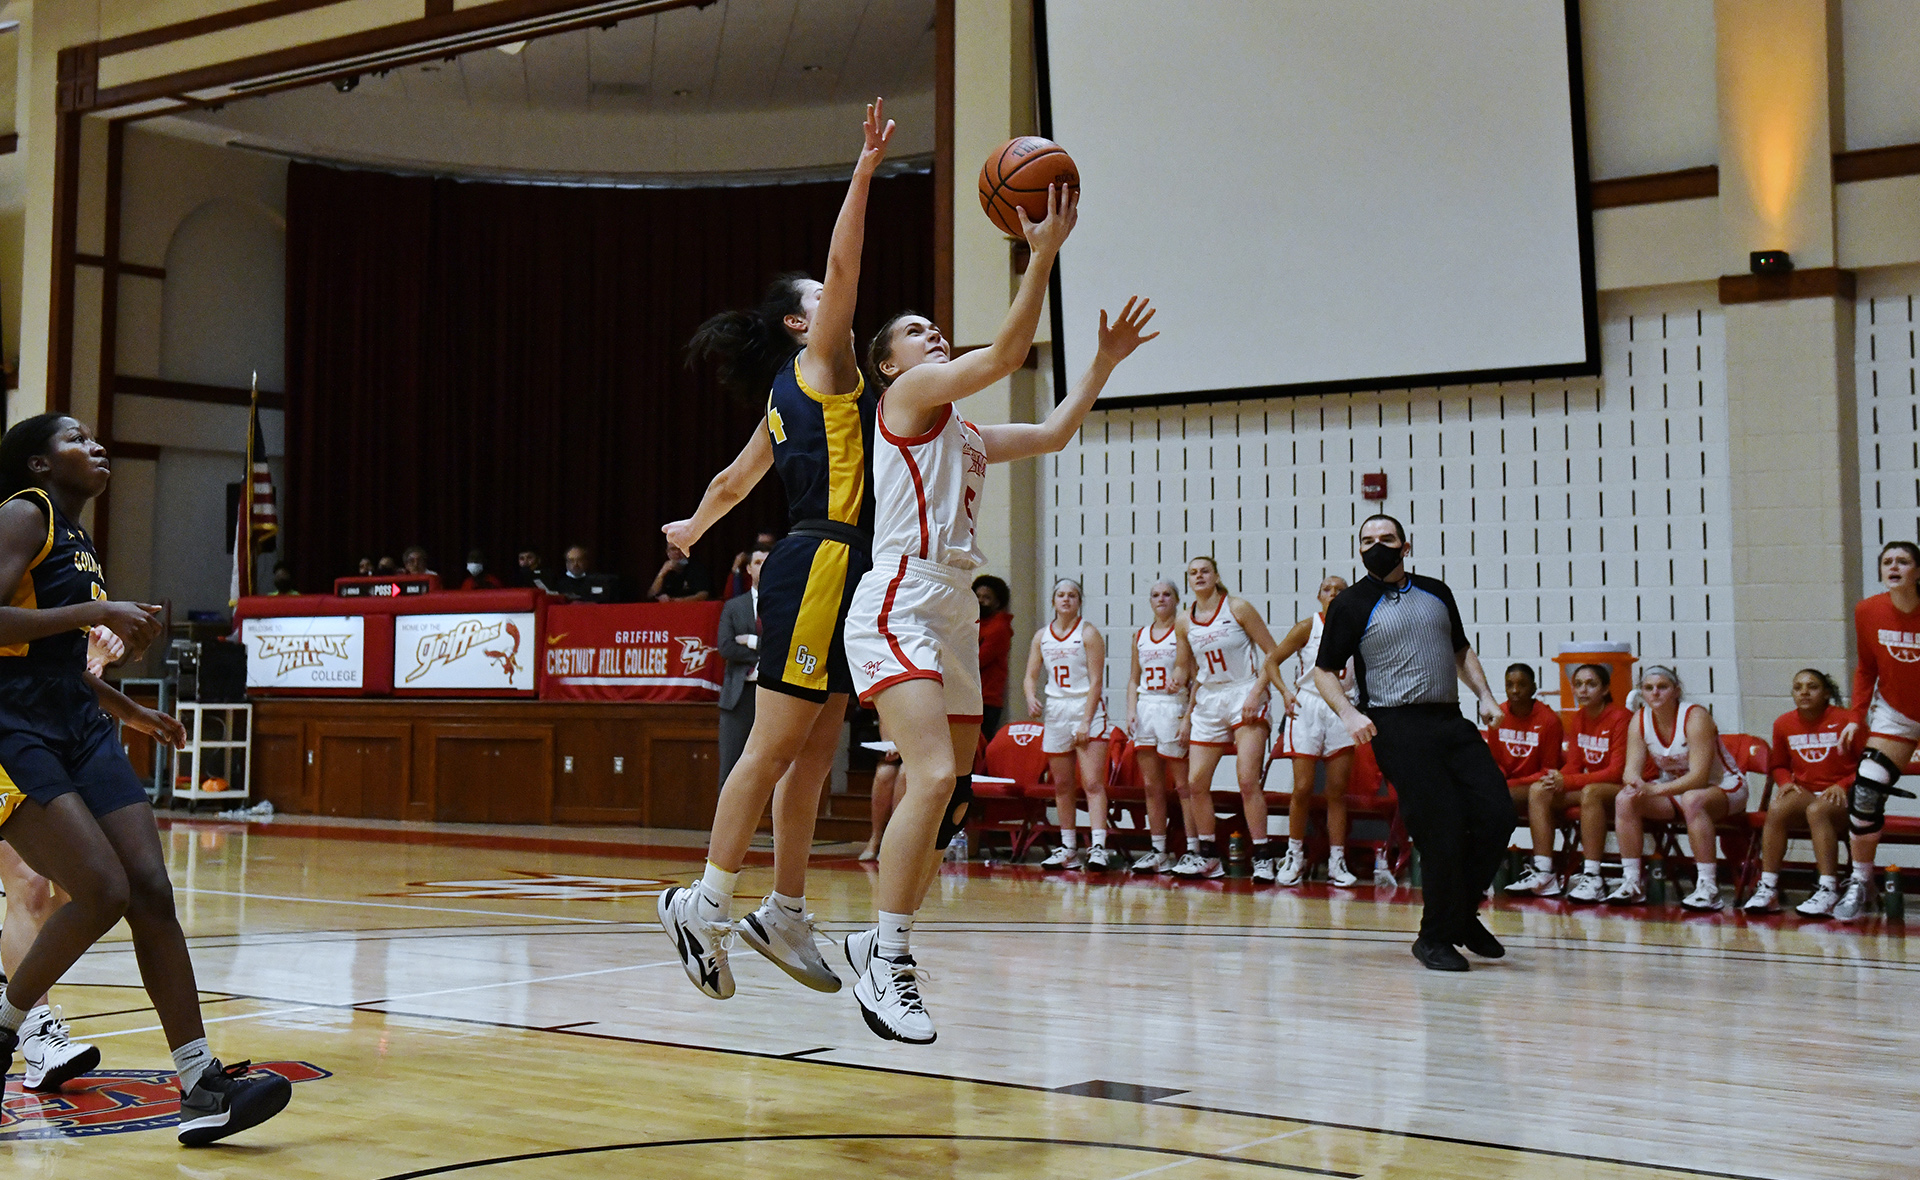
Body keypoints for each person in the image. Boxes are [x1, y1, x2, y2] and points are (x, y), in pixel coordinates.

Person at [843, 188, 1151, 1042]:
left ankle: (882, 942)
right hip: (900, 596)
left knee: (948, 794)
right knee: (932, 773)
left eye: (934, 329)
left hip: (951, 604)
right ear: (890, 366)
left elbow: (1051, 434)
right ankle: (888, 957)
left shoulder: (966, 435)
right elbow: (1011, 351)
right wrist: (1041, 251)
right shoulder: (906, 401)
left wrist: (1101, 365)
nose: (932, 336)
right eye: (916, 332)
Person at [656, 100, 896, 1002]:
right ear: (803, 324)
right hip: (821, 561)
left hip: (840, 567)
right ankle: (706, 901)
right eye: (819, 304)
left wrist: (691, 528)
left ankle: (785, 908)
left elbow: (733, 480)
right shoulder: (824, 364)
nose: (835, 305)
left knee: (814, 751)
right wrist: (864, 171)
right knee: (773, 745)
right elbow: (844, 267)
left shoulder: (785, 395)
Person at [0, 413, 292, 1143]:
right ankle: (7, 1025)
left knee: (152, 890)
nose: (95, 446)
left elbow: (55, 657)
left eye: (94, 438)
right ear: (39, 464)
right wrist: (97, 609)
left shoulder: (77, 537)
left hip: (77, 720)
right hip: (14, 725)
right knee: (102, 890)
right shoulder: (23, 514)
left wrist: (127, 707)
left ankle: (201, 1084)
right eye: (75, 439)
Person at [1313, 514, 1509, 972]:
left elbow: (1460, 649)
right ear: (1359, 550)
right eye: (1367, 540)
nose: (1376, 546)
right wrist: (1349, 713)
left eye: (1386, 538)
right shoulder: (1350, 604)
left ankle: (1461, 914)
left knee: (1497, 812)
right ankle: (1434, 937)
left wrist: (1485, 695)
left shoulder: (1436, 592)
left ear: (1405, 546)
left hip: (1450, 719)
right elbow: (1324, 671)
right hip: (1396, 725)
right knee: (1441, 828)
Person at [1170, 556, 1280, 881]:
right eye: (1193, 573)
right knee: (1195, 783)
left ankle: (1262, 855)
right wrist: (1176, 678)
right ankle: (1208, 855)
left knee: (1246, 780)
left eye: (1205, 571)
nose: (1199, 576)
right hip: (1209, 697)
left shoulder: (1238, 608)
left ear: (1216, 576)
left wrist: (1256, 693)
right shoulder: (1183, 621)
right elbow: (1183, 665)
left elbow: (1273, 652)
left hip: (1244, 689)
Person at [1605, 666, 1745, 911]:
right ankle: (1632, 881)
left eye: (1662, 687)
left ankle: (1708, 887)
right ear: (1641, 693)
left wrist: (1655, 790)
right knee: (1624, 799)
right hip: (1675, 789)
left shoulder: (1695, 717)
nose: (1655, 693)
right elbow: (1630, 771)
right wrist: (1636, 784)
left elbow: (1699, 778)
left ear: (1676, 691)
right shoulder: (1639, 719)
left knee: (1693, 799)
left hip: (1724, 785)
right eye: (1648, 688)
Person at [1834, 541, 1920, 922]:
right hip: (1895, 714)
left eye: (1903, 561)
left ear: (1918, 571)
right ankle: (1861, 880)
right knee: (1866, 791)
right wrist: (1856, 716)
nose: (1894, 567)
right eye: (1887, 562)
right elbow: (1866, 668)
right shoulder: (1867, 610)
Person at [1265, 575, 1360, 887]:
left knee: (1337, 791)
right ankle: (1294, 856)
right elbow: (1272, 661)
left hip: (1342, 706)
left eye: (1339, 589)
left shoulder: (1359, 627)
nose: (1333, 593)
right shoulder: (1307, 627)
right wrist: (1284, 692)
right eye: (1326, 589)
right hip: (1307, 705)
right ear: (1319, 596)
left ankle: (1337, 860)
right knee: (1303, 787)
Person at [1744, 669, 1861, 915]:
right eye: (1798, 687)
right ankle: (1769, 888)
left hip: (1844, 794)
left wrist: (1843, 784)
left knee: (1818, 811)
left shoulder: (1847, 720)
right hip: (1807, 793)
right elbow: (1778, 764)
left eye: (1812, 686)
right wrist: (1785, 782)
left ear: (1826, 693)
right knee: (1778, 807)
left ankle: (1828, 889)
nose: (1804, 692)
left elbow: (1868, 765)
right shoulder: (1783, 723)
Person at [1026, 579, 1115, 871]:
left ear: (1079, 601)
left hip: (1084, 707)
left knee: (1092, 782)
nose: (1066, 599)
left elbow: (1096, 681)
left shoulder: (1088, 633)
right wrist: (1030, 697)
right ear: (1053, 601)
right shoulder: (1042, 636)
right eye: (1061, 595)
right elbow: (1030, 676)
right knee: (1062, 784)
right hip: (1056, 710)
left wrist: (1086, 721)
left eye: (1072, 595)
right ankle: (1068, 847)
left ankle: (1098, 847)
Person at [1533, 663, 1632, 901]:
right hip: (1596, 787)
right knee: (1539, 790)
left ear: (1605, 689)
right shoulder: (1579, 718)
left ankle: (1593, 876)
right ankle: (1544, 872)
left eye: (1591, 684)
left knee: (1591, 792)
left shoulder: (1621, 717)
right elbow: (1574, 764)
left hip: (1627, 788)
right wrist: (1556, 778)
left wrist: (1567, 781)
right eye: (1578, 684)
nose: (1583, 690)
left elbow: (1616, 772)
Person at [1125, 579, 1194, 874]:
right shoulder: (1140, 635)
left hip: (1173, 706)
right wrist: (1131, 709)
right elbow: (1133, 678)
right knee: (1152, 786)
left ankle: (1193, 849)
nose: (1161, 599)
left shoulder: (1184, 632)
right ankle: (1158, 850)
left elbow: (1196, 678)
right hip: (1146, 708)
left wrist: (1188, 716)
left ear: (1177, 599)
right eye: (1155, 594)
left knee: (1184, 785)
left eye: (1167, 594)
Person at [1485, 663, 1563, 886]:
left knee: (1494, 800)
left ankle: (1540, 870)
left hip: (1538, 785)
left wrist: (1509, 784)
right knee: (1474, 798)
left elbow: (1549, 769)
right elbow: (1495, 761)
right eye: (1509, 685)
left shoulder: (1549, 720)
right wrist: (1497, 779)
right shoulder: (1498, 715)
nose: (1515, 690)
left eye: (1522, 685)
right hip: (1509, 786)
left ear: (1533, 688)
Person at [716, 549, 768, 786]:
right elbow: (726, 647)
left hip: (772, 694)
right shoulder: (733, 606)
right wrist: (763, 655)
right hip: (738, 696)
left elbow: (785, 645)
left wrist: (752, 641)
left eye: (767, 563)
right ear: (748, 568)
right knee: (730, 768)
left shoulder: (786, 605)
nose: (762, 567)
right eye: (757, 562)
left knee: (770, 768)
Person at [974, 575, 1015, 740]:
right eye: (977, 596)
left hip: (987, 699)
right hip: (971, 696)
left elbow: (977, 661)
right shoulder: (973, 622)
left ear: (998, 602)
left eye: (986, 598)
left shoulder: (999, 628)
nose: (980, 601)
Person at [861, 746, 900, 862]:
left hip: (924, 753)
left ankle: (895, 838)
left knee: (904, 775)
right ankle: (876, 836)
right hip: (899, 749)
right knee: (884, 773)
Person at [724, 530, 780, 600]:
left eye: (768, 545)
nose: (763, 548)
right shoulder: (747, 572)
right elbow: (730, 598)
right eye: (761, 544)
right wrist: (736, 568)